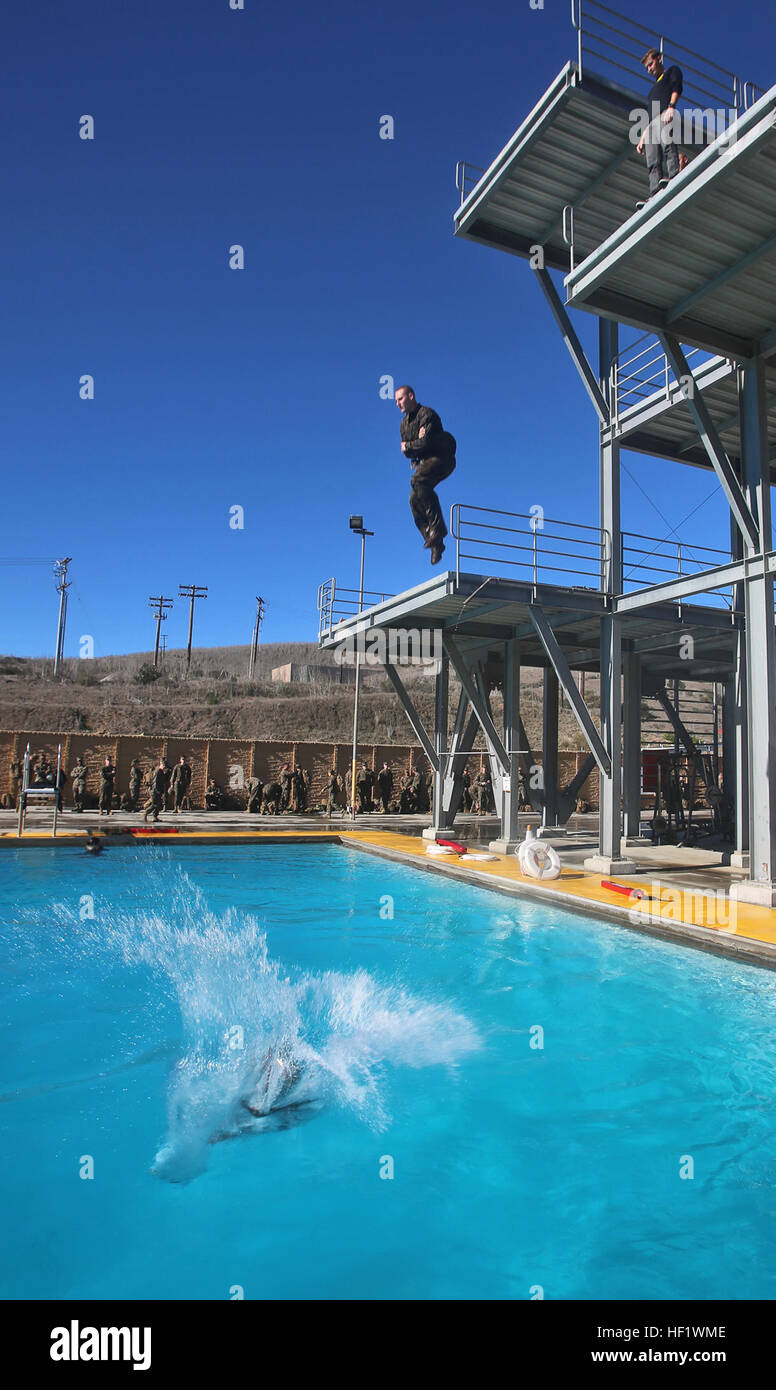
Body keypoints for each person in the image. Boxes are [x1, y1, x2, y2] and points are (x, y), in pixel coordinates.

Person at [395, 385, 456, 565]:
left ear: (411, 396)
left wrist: (411, 444)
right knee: (414, 499)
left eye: (401, 399)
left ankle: (437, 532)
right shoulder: (404, 425)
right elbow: (407, 452)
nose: (398, 404)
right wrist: (414, 445)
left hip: (442, 458)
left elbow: (425, 443)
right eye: (396, 401)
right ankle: (434, 541)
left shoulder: (427, 414)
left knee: (418, 481)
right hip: (424, 462)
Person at [636, 48, 683, 208]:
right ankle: (655, 190)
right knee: (652, 159)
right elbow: (649, 115)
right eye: (647, 68)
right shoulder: (652, 91)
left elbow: (677, 87)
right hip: (651, 124)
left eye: (650, 64)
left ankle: (674, 174)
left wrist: (671, 107)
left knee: (668, 146)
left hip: (665, 114)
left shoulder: (671, 72)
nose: (649, 69)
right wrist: (643, 137)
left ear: (659, 59)